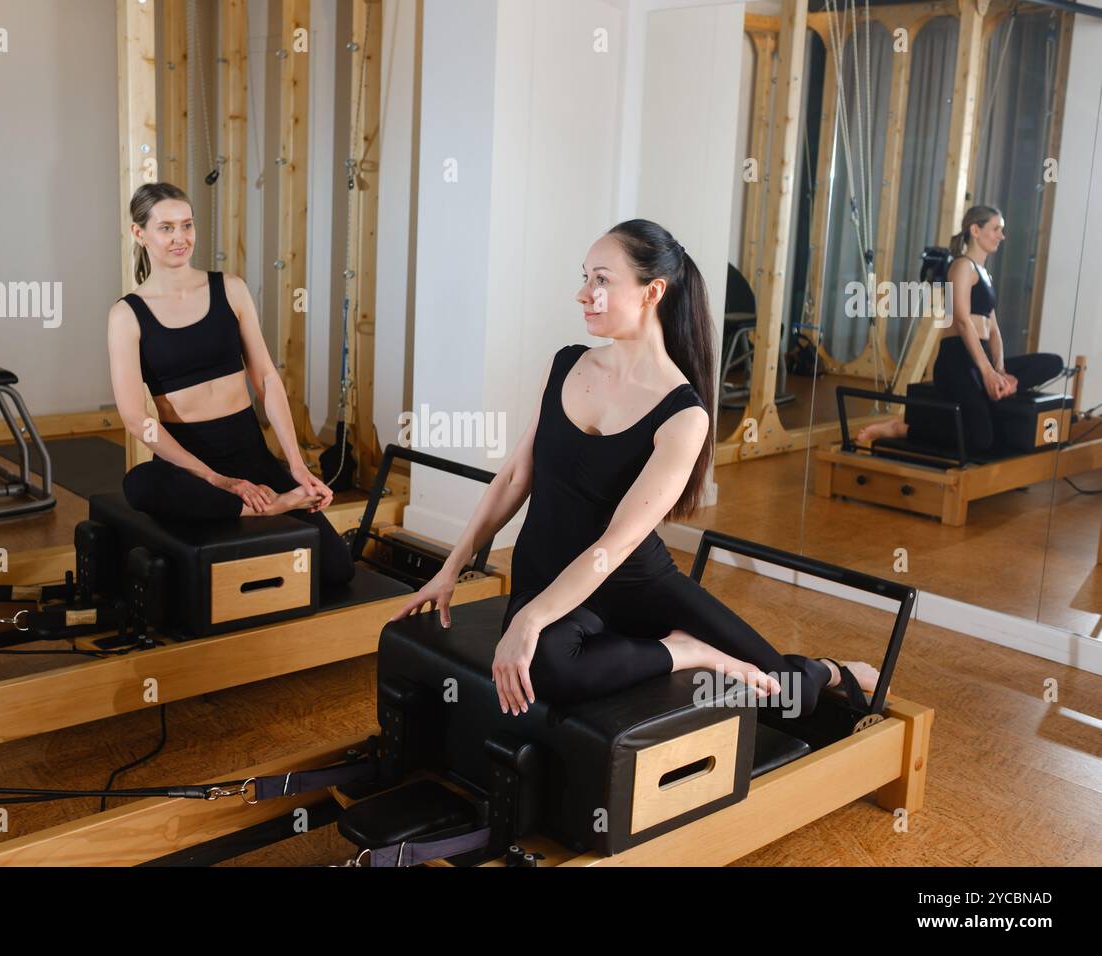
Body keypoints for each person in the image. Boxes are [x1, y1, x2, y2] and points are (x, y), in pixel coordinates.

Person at [391, 219, 878, 715]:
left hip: (636, 583)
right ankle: (686, 650)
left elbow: (616, 543)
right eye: (585, 277)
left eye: (601, 279)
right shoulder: (566, 363)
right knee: (548, 668)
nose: (584, 294)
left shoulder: (684, 415)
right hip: (551, 576)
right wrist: (452, 568)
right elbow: (518, 476)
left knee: (788, 697)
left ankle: (826, 669)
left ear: (653, 292)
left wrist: (530, 620)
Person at [107, 181, 355, 588]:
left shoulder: (230, 288)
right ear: (139, 233)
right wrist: (218, 480)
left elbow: (266, 379)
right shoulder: (127, 315)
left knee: (336, 570)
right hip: (188, 460)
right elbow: (137, 420)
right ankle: (269, 508)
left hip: (247, 449)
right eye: (166, 228)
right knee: (140, 484)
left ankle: (267, 499)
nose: (180, 238)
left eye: (187, 225)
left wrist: (296, 465)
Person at [857, 205, 1064, 454]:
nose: (1002, 236)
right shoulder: (961, 267)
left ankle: (1004, 388)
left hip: (982, 359)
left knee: (1053, 362)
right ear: (975, 230)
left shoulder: (985, 274)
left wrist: (1000, 372)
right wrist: (987, 373)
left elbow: (994, 331)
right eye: (996, 229)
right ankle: (900, 428)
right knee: (980, 440)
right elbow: (963, 321)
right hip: (957, 361)